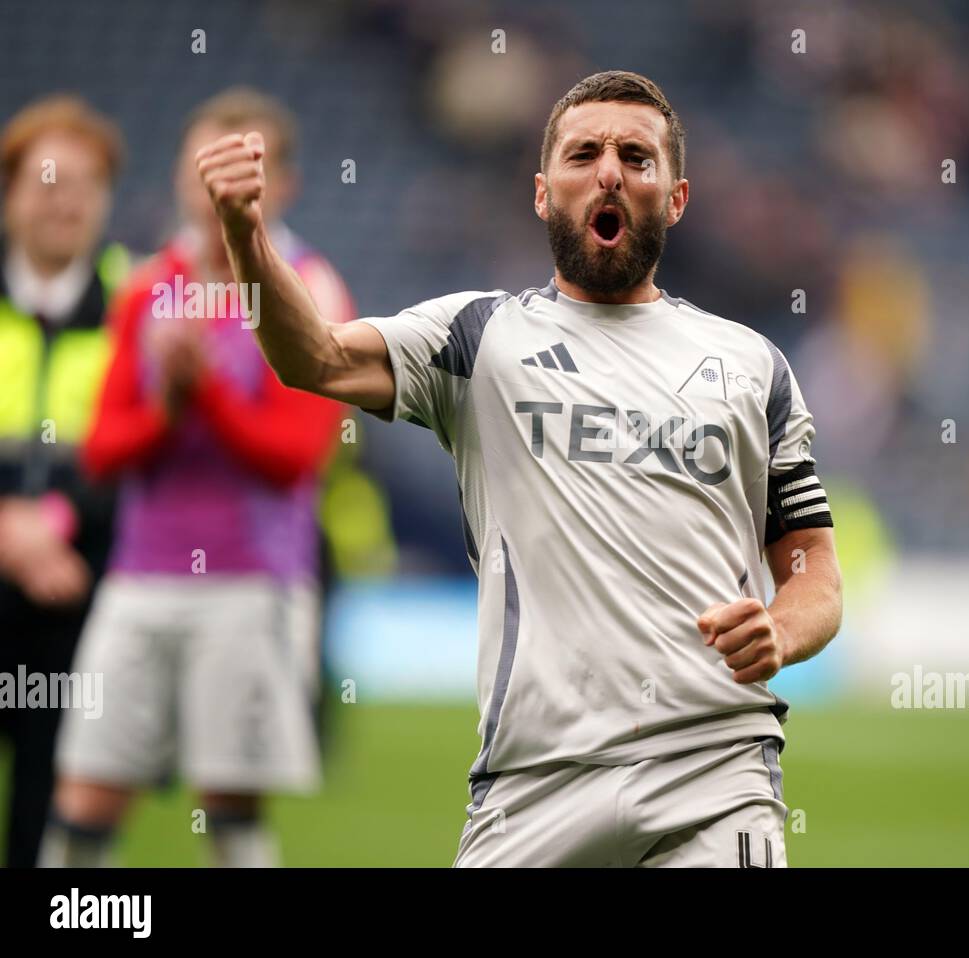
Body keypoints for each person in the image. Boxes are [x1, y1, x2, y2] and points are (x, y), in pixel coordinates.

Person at [195, 70, 841, 867]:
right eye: (584, 153)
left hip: (716, 771)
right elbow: (314, 360)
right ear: (542, 193)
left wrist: (779, 625)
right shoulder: (477, 339)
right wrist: (245, 234)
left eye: (637, 157)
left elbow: (814, 571)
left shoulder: (754, 365)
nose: (609, 170)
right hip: (534, 780)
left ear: (676, 199)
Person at [40, 88, 353, 868]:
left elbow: (296, 456)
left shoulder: (310, 289)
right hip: (141, 578)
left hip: (252, 586)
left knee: (229, 808)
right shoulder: (149, 287)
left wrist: (200, 393)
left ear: (281, 184)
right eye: (198, 167)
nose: (209, 187)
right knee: (83, 796)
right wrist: (171, 405)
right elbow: (103, 451)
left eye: (236, 168)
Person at [0, 95, 128, 868]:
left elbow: (149, 448)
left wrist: (53, 520)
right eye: (47, 182)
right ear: (10, 194)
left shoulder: (142, 303)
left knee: (50, 816)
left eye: (85, 183)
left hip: (81, 594)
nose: (66, 200)